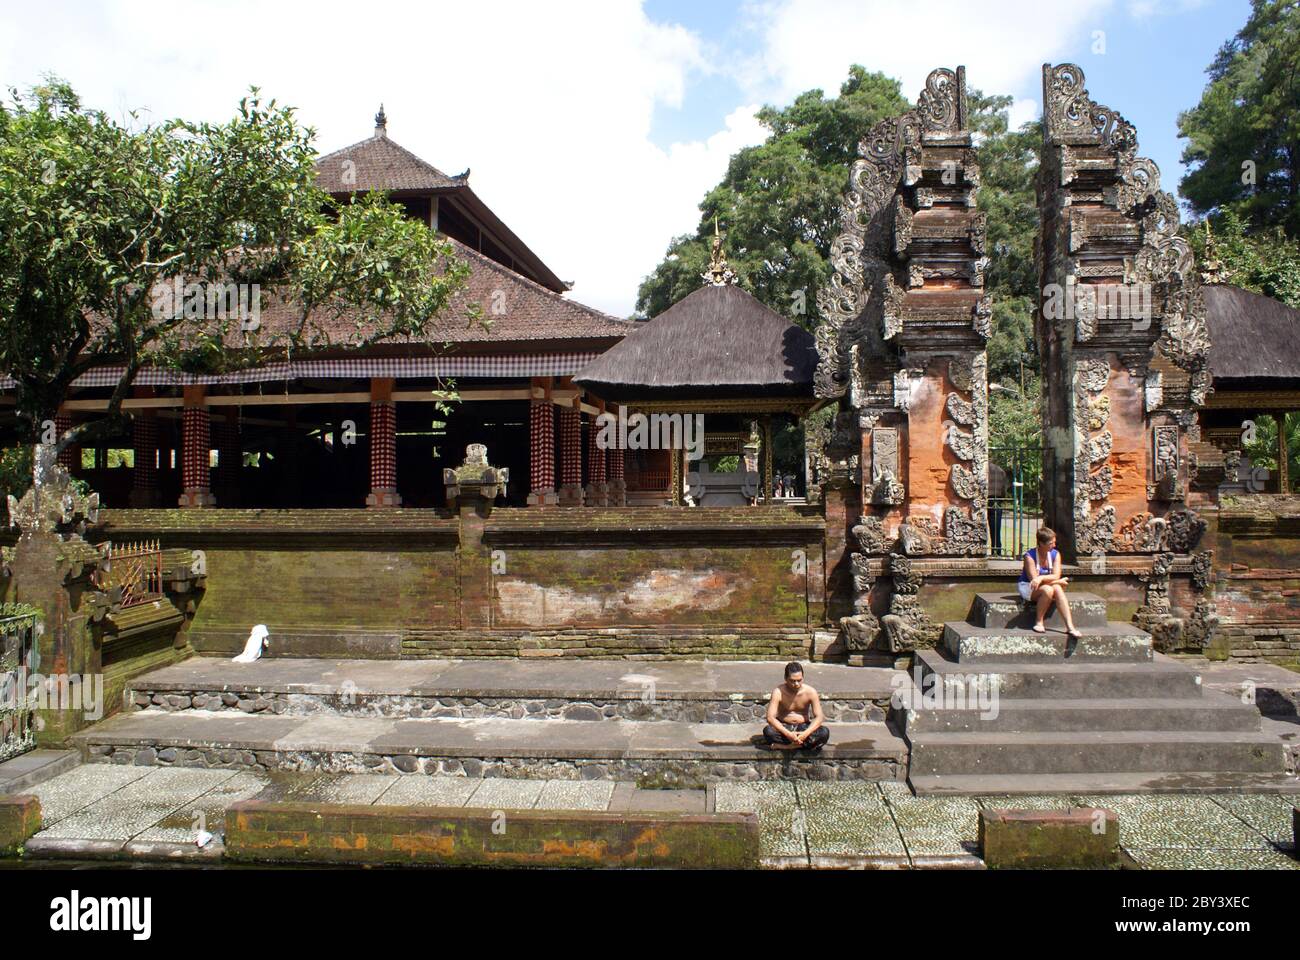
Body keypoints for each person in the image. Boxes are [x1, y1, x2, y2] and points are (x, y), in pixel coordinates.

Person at [1019, 526, 1082, 638]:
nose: (1054, 545)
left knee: (1057, 588)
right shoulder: (1029, 557)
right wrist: (1057, 581)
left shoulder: (1055, 554)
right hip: (1029, 587)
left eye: (1054, 542)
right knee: (1049, 589)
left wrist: (1042, 578)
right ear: (1042, 544)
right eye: (1051, 543)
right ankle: (1039, 621)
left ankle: (1070, 626)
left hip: (1046, 584)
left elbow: (1056, 575)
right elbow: (1035, 582)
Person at [763, 662, 829, 751]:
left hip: (803, 728)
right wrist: (788, 734)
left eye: (799, 680)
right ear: (786, 679)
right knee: (768, 731)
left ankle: (785, 746)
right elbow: (770, 718)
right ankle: (799, 746)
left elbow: (819, 717)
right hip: (784, 727)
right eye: (793, 681)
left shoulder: (810, 692)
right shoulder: (778, 692)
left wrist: (805, 733)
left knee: (824, 733)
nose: (797, 684)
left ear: (803, 678)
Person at [987, 462, 1008, 554]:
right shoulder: (1000, 470)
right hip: (996, 500)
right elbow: (1004, 489)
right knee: (996, 528)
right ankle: (997, 550)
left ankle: (980, 550)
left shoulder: (982, 468)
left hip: (983, 500)